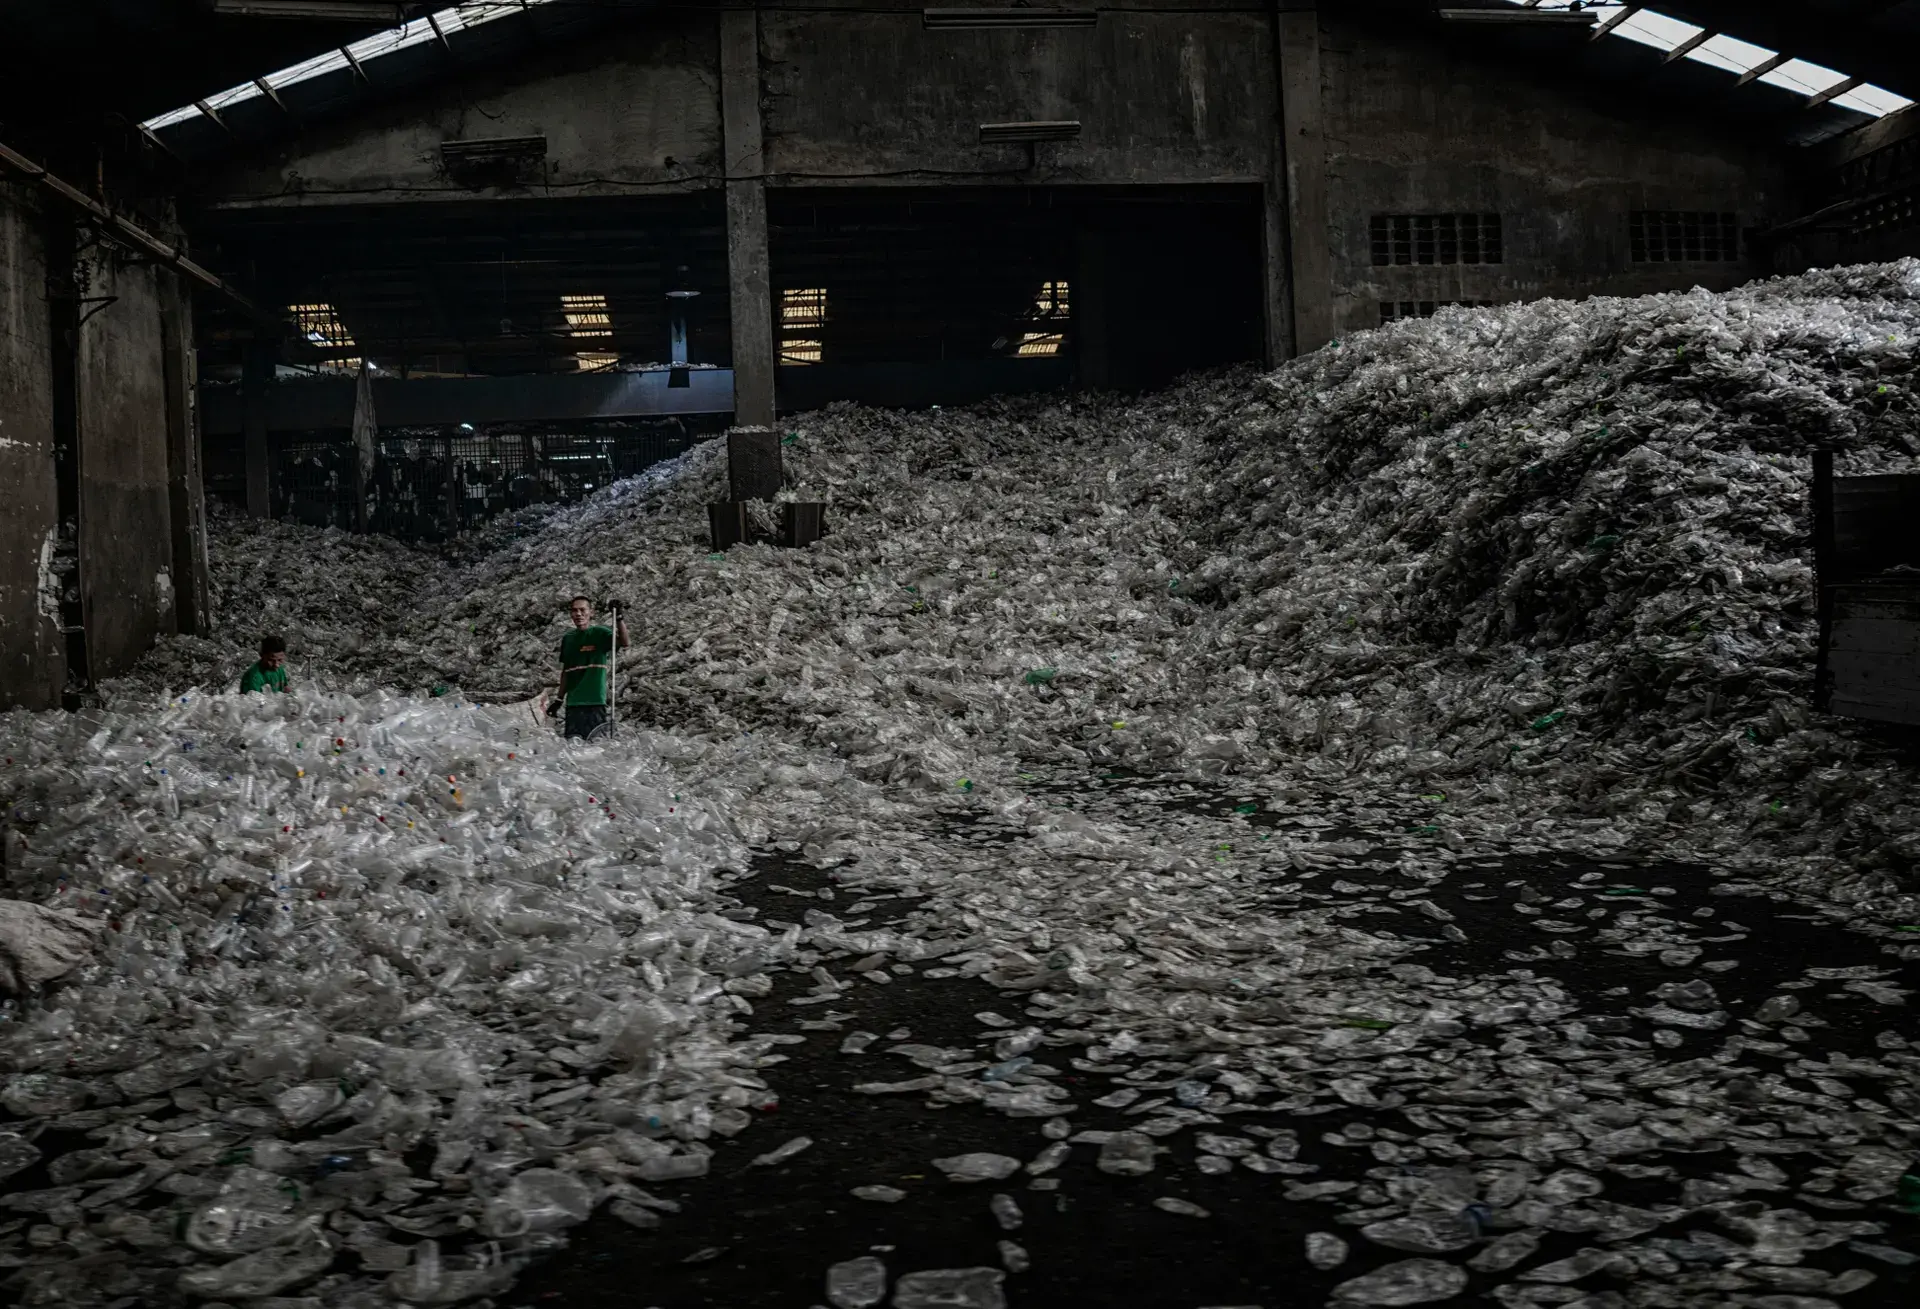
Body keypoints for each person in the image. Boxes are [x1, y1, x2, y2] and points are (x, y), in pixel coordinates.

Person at [556, 596, 630, 739]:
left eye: (582, 610)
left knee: (595, 745)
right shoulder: (568, 639)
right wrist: (559, 699)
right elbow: (566, 671)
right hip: (573, 702)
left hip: (595, 701)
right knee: (572, 745)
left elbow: (625, 642)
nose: (578, 614)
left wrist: (619, 618)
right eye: (574, 610)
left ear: (591, 612)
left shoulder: (600, 633)